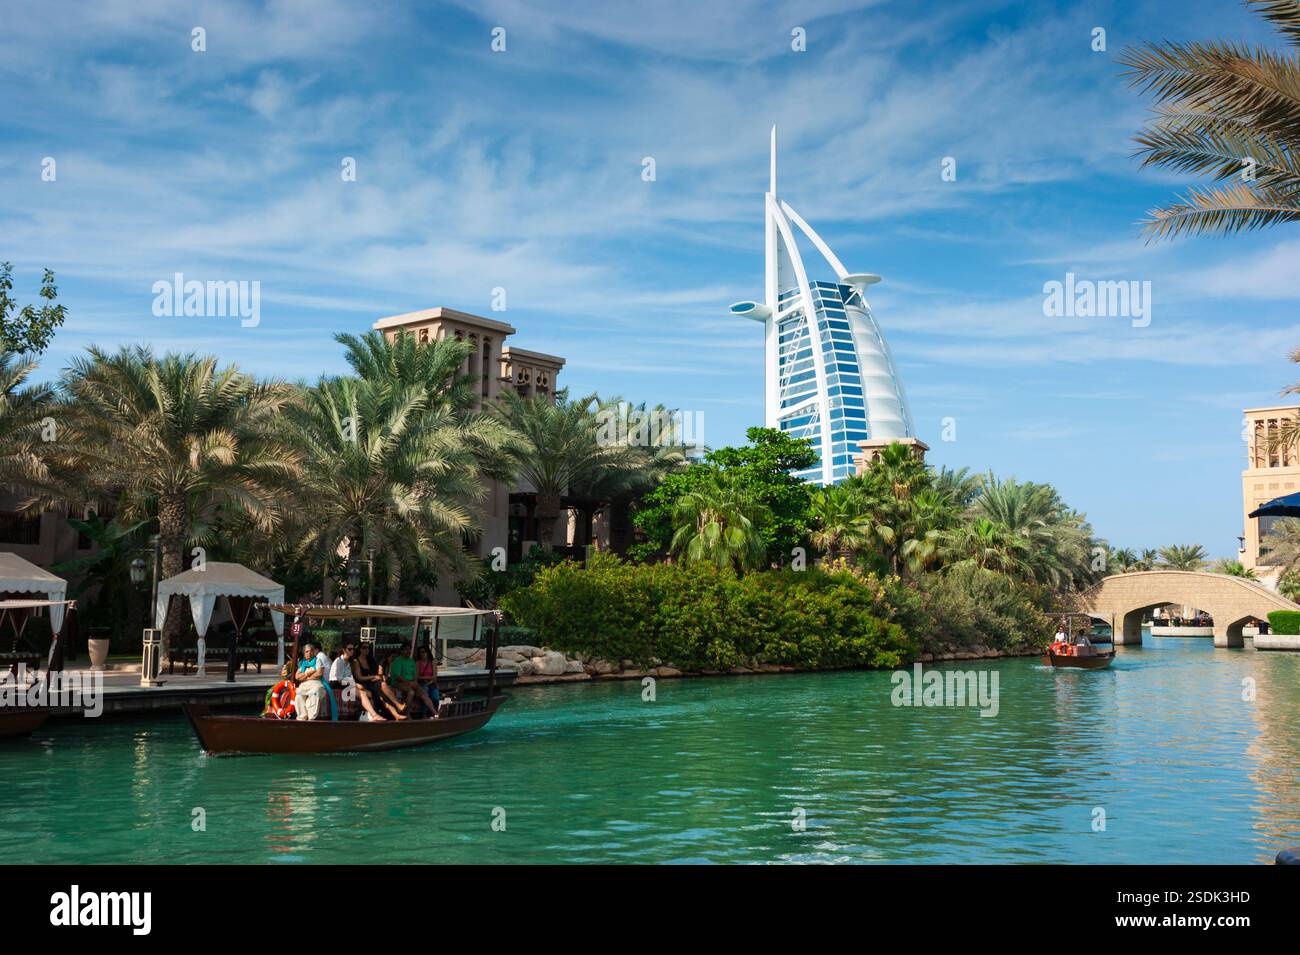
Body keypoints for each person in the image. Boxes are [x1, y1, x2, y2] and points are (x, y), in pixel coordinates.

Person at [331, 642, 386, 721]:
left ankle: (367, 714)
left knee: (369, 693)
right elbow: (338, 679)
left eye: (353, 649)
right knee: (362, 693)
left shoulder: (348, 662)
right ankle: (374, 715)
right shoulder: (339, 661)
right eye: (349, 649)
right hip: (336, 683)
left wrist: (354, 684)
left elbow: (349, 677)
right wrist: (355, 684)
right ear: (344, 650)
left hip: (345, 683)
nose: (352, 651)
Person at [386, 648, 437, 718]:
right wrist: (410, 682)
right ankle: (407, 713)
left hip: (414, 684)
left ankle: (434, 712)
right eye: (392, 656)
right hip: (398, 684)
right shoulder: (395, 663)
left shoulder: (411, 661)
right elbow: (396, 677)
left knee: (424, 693)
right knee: (414, 691)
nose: (408, 651)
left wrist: (414, 682)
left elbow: (415, 675)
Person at [294, 639, 332, 720]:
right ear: (304, 654)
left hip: (316, 684)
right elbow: (297, 676)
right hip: (304, 685)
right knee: (298, 695)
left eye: (311, 651)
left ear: (314, 652)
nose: (309, 653)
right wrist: (308, 673)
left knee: (314, 693)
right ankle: (302, 717)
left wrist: (305, 677)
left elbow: (319, 673)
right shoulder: (303, 663)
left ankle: (311, 718)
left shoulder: (318, 660)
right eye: (306, 651)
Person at [415, 645, 442, 712]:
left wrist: (429, 680)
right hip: (422, 683)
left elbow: (435, 677)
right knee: (425, 694)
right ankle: (424, 714)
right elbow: (417, 677)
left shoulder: (432, 662)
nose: (423, 654)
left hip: (432, 683)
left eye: (424, 652)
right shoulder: (418, 663)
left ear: (427, 652)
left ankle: (435, 712)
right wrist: (429, 678)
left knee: (435, 697)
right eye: (421, 652)